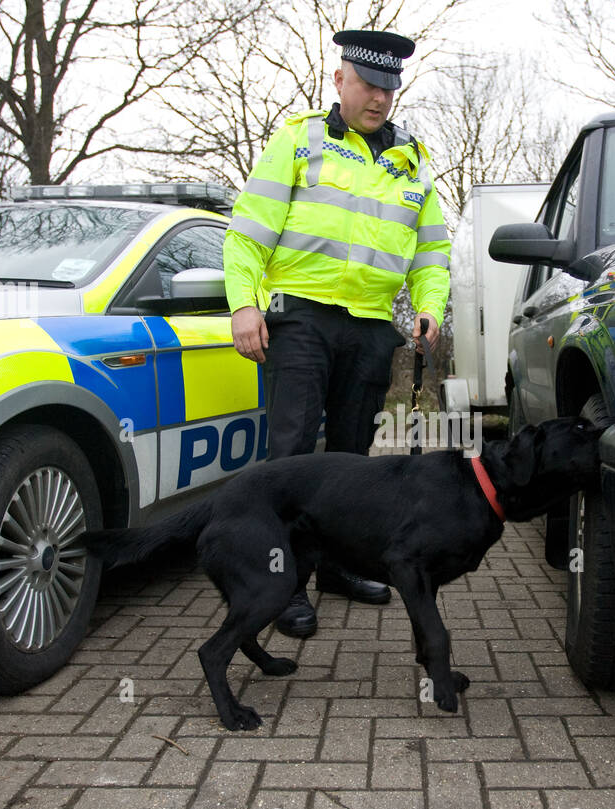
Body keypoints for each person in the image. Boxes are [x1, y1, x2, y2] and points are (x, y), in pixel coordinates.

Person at [222, 28, 450, 637]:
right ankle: (282, 585)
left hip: (373, 328)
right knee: (293, 456)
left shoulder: (414, 161)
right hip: (301, 319)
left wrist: (429, 307)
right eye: (369, 84)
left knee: (352, 463)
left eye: (389, 88)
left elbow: (431, 252)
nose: (380, 98)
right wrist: (244, 305)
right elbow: (248, 232)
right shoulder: (300, 139)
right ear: (340, 81)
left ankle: (338, 571)